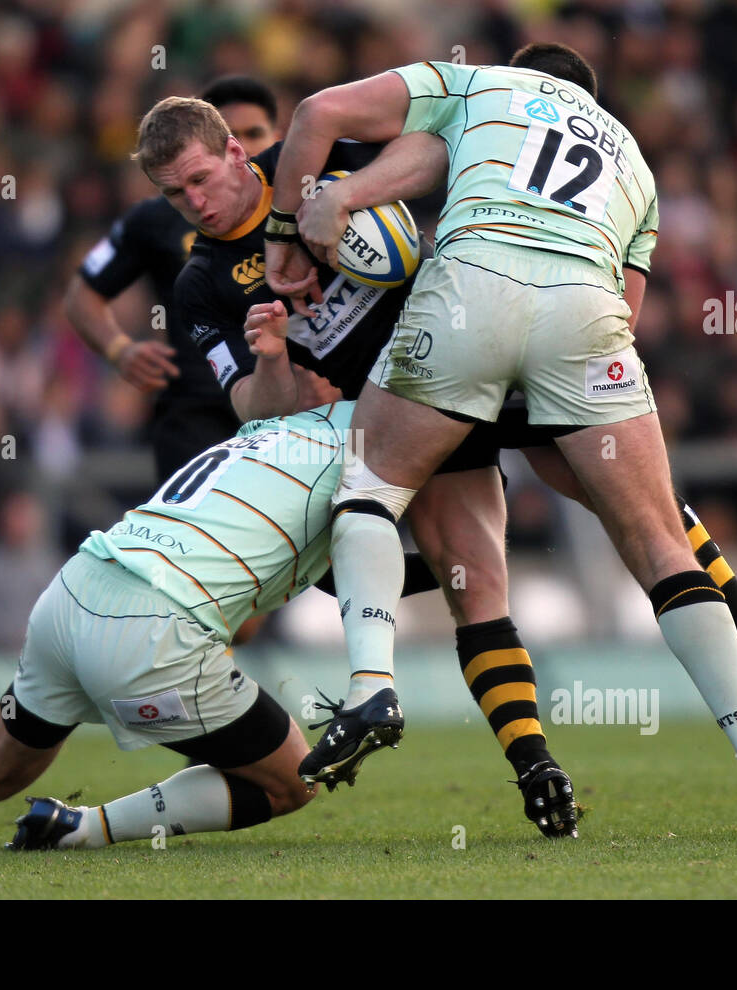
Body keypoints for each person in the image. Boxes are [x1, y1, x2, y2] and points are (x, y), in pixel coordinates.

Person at [264, 44, 737, 833]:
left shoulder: (481, 85)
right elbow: (627, 310)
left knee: (372, 486)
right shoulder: (636, 163)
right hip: (586, 312)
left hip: (471, 288)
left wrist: (296, 221)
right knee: (657, 537)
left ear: (527, 72)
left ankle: (370, 688)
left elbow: (319, 112)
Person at [136, 96, 576, 833]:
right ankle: (536, 766)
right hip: (373, 432)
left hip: (461, 354)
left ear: (239, 153)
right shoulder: (202, 285)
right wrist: (273, 353)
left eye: (200, 179)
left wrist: (349, 197)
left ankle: (734, 619)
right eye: (175, 195)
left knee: (601, 481)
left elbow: (432, 151)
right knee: (471, 584)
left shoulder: (313, 165)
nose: (195, 204)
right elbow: (256, 408)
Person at [0, 400, 443, 856]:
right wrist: (463, 565)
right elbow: (362, 553)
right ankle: (86, 829)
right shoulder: (366, 455)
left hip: (75, 589)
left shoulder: (269, 436)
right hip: (155, 631)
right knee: (294, 780)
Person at [64, 76, 281, 484]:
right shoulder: (153, 221)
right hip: (198, 409)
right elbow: (83, 293)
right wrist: (118, 349)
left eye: (255, 133)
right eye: (179, 189)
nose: (194, 198)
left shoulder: (293, 189)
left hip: (289, 403)